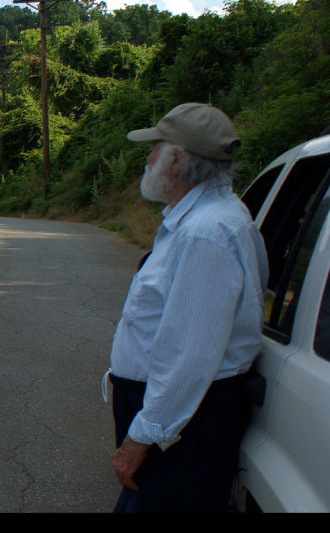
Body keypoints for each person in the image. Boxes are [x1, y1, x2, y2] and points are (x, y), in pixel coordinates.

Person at [107, 103, 269, 512]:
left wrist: (140, 438)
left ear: (178, 159)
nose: (148, 158)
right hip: (179, 417)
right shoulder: (208, 221)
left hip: (183, 423)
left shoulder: (205, 233)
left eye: (156, 148)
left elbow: (189, 357)